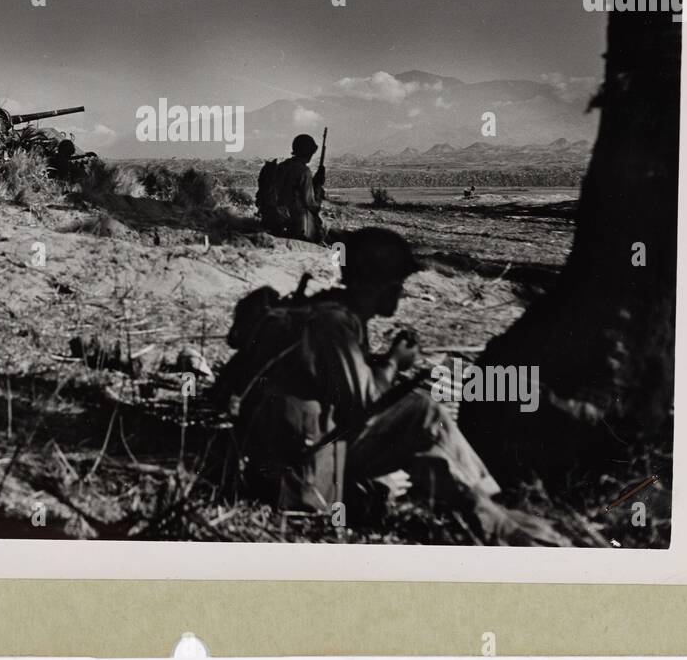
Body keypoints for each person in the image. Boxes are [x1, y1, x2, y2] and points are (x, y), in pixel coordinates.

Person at [216, 226, 565, 545]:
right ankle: (494, 511)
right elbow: (363, 404)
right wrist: (395, 364)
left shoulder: (321, 312)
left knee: (418, 439)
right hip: (299, 476)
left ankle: (482, 506)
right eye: (397, 284)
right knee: (422, 413)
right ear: (376, 284)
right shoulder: (333, 324)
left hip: (289, 459)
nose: (401, 292)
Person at [260, 133, 325, 242]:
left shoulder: (282, 166)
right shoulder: (304, 171)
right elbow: (310, 204)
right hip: (295, 224)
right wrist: (318, 188)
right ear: (308, 152)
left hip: (277, 219)